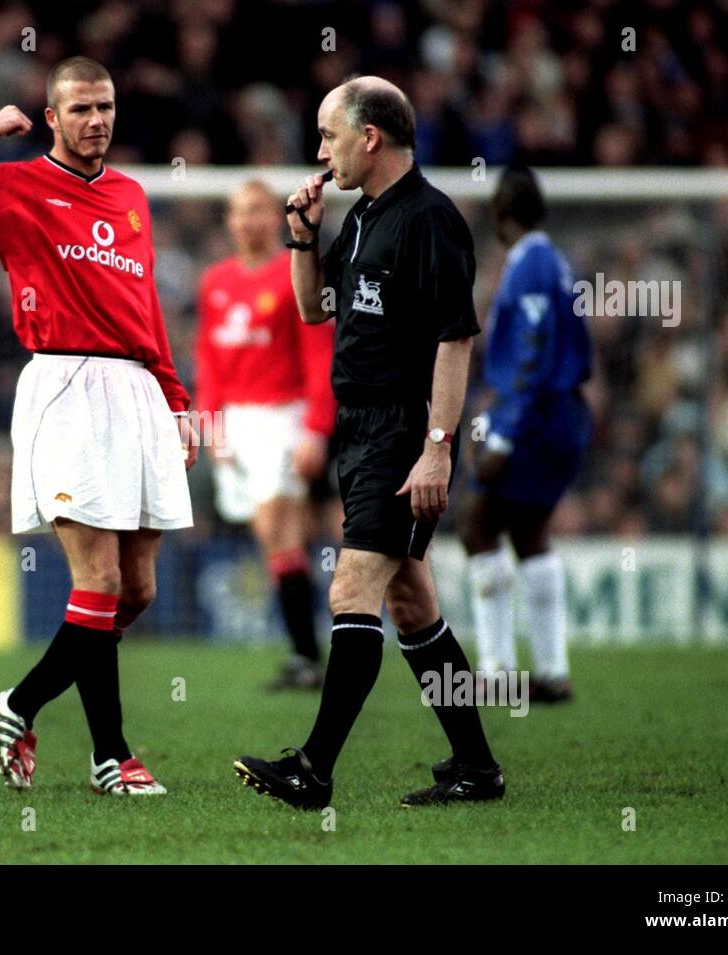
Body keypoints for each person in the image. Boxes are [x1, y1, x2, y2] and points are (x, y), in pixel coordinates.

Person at [0, 56, 195, 796]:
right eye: (81, 110)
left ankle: (18, 704)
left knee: (135, 591)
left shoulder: (132, 195)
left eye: (106, 107)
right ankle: (111, 758)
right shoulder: (14, 186)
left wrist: (176, 395)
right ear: (54, 116)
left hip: (137, 389)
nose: (96, 120)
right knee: (96, 579)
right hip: (65, 383)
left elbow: (145, 309)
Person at [234, 76, 504, 808]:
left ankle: (313, 770)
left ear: (369, 136)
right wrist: (301, 236)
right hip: (358, 427)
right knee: (413, 605)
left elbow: (455, 340)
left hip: (402, 429)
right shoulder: (360, 218)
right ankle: (477, 767)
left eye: (328, 135)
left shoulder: (430, 220)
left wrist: (437, 446)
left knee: (353, 588)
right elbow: (313, 306)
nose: (321, 150)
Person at [195, 179, 336, 690]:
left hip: (285, 417)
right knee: (273, 540)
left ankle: (308, 655)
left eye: (255, 209)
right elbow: (207, 362)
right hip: (236, 421)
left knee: (279, 529)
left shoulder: (293, 273)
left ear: (273, 218)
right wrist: (210, 424)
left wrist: (316, 431)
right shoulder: (214, 282)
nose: (244, 220)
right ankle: (309, 655)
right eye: (236, 210)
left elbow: (320, 358)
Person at [459, 166, 592, 703]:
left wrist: (503, 438)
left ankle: (495, 674)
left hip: (537, 417)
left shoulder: (532, 265)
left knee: (478, 529)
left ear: (500, 211)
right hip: (561, 413)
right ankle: (553, 671)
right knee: (530, 533)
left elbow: (533, 358)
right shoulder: (553, 261)